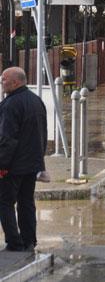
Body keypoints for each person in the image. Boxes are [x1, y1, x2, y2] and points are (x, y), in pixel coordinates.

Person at [0, 67, 47, 252]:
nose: (2, 83)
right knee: (26, 202)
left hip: (13, 165)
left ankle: (14, 242)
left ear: (16, 82)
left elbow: (7, 139)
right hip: (31, 164)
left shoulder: (10, 105)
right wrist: (39, 162)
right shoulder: (36, 101)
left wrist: (1, 164)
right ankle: (29, 240)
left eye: (4, 80)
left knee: (4, 202)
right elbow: (42, 134)